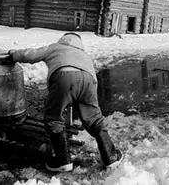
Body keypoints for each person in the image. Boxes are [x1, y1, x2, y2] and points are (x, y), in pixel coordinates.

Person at [8, 33, 121, 172]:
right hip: (89, 81)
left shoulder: (55, 47)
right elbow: (93, 78)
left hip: (64, 77)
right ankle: (111, 157)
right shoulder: (84, 55)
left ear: (63, 40)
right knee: (94, 119)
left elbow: (30, 55)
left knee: (54, 117)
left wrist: (13, 55)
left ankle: (62, 161)